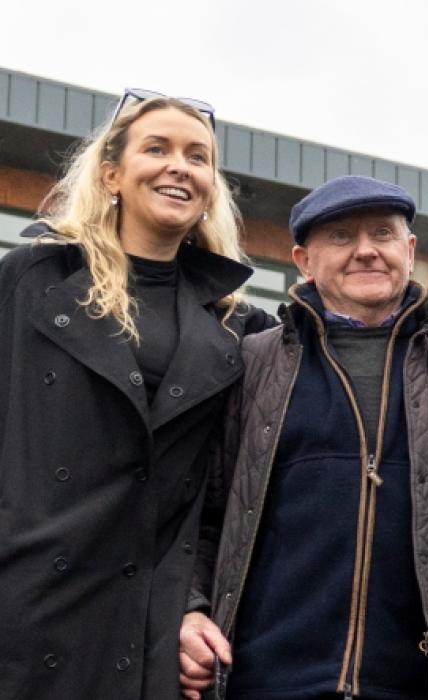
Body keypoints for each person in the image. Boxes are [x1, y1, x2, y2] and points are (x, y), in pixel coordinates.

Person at [178, 175, 428, 700]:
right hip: (262, 682)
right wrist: (191, 609)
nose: (365, 251)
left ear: (409, 248)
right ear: (303, 261)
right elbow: (199, 517)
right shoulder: (249, 364)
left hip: (426, 687)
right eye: (340, 236)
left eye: (382, 233)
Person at [0, 90, 274, 699]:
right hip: (25, 600)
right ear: (112, 174)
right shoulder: (30, 279)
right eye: (158, 148)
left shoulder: (239, 326)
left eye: (198, 157)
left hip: (147, 623)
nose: (181, 165)